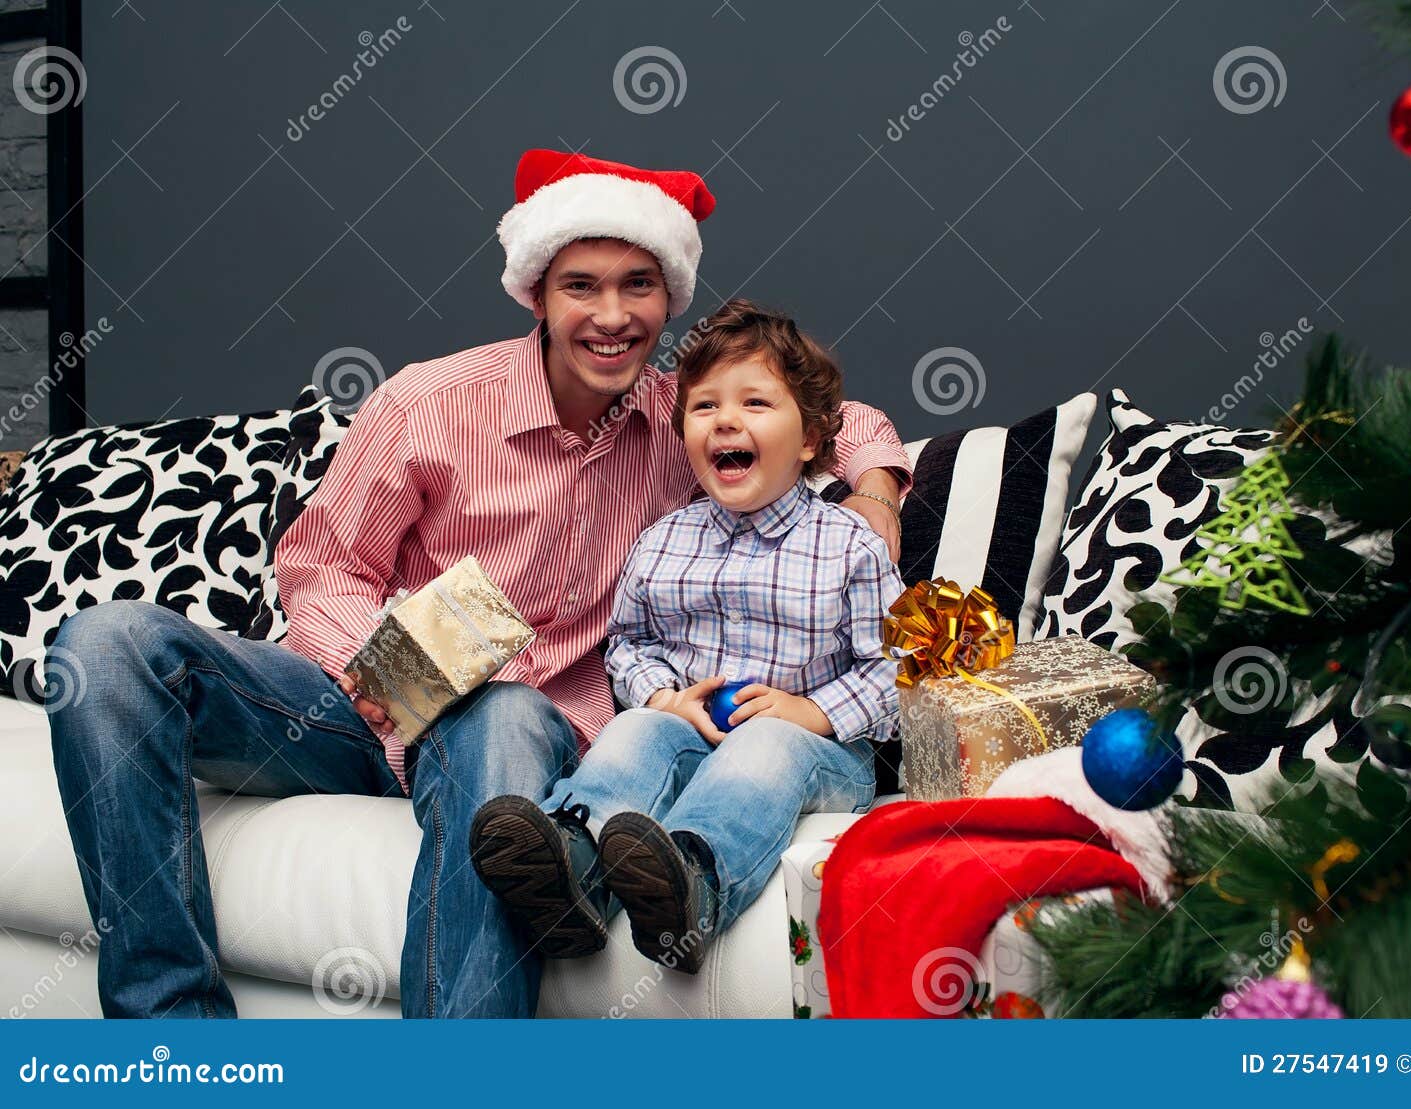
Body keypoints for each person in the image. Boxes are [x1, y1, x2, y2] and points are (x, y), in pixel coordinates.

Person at [45, 150, 910, 1018]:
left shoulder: (681, 420)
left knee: (499, 709)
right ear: (538, 292)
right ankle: (172, 1034)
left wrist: (876, 490)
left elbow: (842, 417)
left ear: (669, 297)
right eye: (582, 286)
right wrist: (378, 674)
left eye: (638, 285)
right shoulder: (428, 403)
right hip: (360, 710)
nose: (611, 315)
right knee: (107, 645)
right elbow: (327, 565)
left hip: (529, 730)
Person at [469, 299, 903, 973]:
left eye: (756, 403)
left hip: (817, 749)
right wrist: (662, 697)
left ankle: (695, 882)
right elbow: (630, 645)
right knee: (636, 732)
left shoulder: (849, 545)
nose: (726, 419)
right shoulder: (664, 540)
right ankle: (570, 863)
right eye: (705, 408)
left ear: (813, 439)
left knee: (766, 746)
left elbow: (895, 669)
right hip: (690, 728)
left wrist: (809, 711)